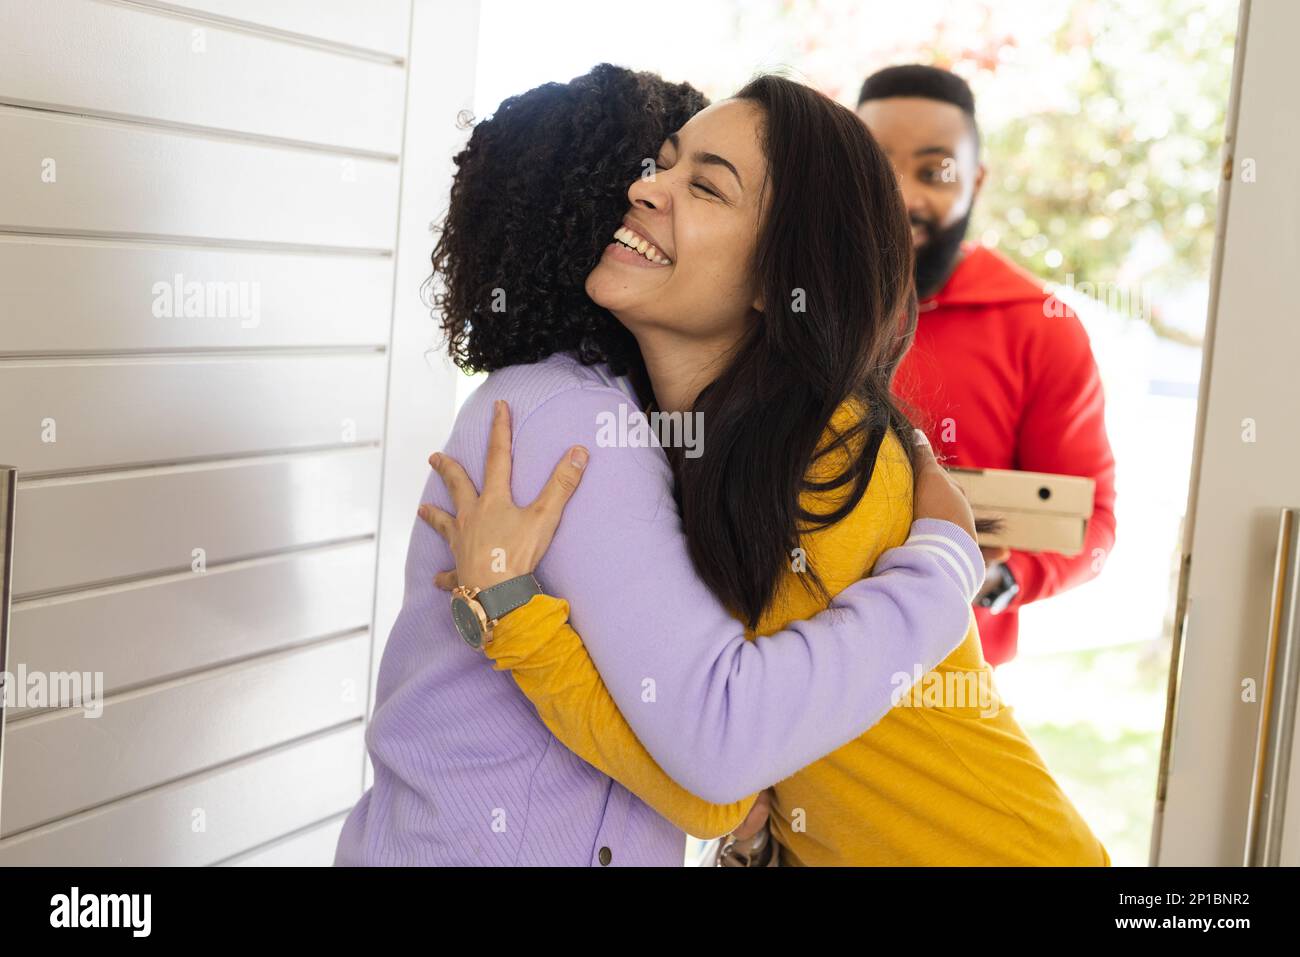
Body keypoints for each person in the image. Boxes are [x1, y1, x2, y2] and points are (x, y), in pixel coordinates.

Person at [419, 75, 1110, 866]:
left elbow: (715, 772)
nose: (644, 187)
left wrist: (511, 612)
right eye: (662, 164)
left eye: (706, 186)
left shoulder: (819, 460)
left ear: (775, 283)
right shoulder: (700, 443)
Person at [857, 64, 1118, 666]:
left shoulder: (1040, 326)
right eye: (877, 166)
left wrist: (998, 581)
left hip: (949, 680)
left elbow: (1093, 522)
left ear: (975, 180)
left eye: (934, 172)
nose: (903, 195)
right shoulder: (781, 302)